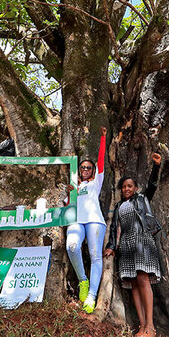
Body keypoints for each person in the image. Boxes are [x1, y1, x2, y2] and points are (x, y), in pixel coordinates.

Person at [104, 151, 163, 337]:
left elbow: (153, 185)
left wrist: (156, 166)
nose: (126, 189)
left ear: (135, 188)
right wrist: (112, 246)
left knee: (143, 280)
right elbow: (115, 228)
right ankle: (142, 326)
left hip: (143, 241)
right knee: (135, 284)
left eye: (130, 186)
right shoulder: (120, 206)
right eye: (124, 187)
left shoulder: (142, 199)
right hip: (127, 245)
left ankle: (151, 327)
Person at [65, 127, 107, 313]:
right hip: (76, 220)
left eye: (88, 168)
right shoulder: (74, 186)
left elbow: (101, 162)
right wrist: (68, 193)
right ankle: (83, 280)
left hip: (95, 220)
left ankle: (91, 296)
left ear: (92, 171)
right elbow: (66, 206)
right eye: (82, 167)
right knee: (71, 246)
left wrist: (103, 139)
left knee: (95, 256)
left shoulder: (95, 183)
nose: (85, 170)